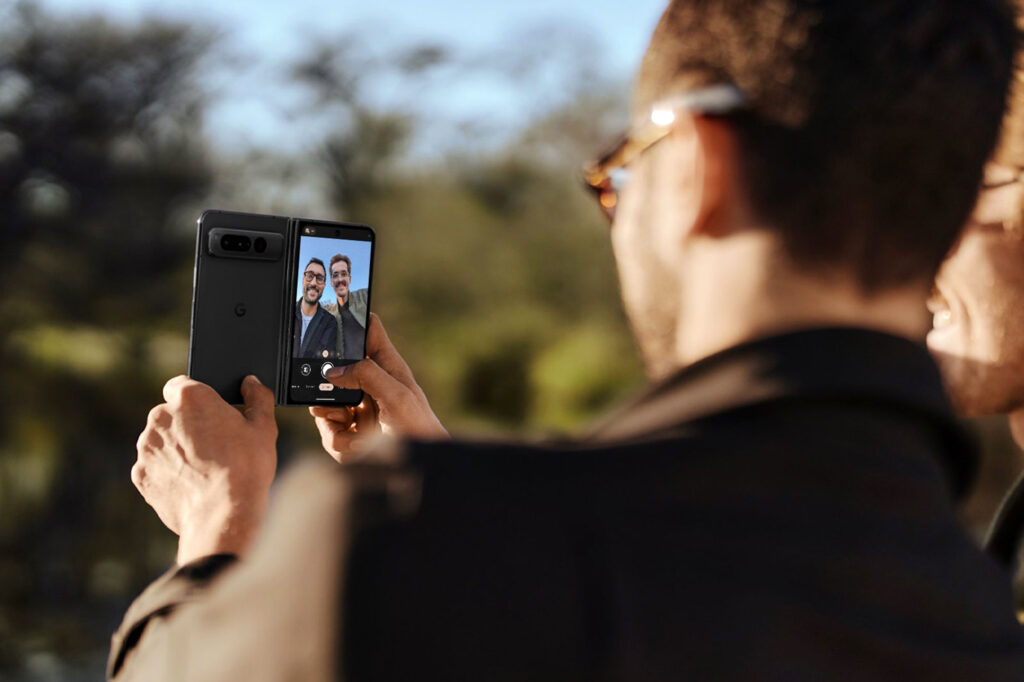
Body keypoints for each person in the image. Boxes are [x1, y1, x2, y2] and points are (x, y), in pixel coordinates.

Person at [110, 1, 1024, 680]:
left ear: (702, 164)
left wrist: (216, 527)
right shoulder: (978, 608)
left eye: (619, 175)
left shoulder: (394, 534)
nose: (614, 216)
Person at [325, 253, 369, 361]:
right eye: (335, 275)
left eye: (344, 274)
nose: (340, 279)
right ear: (331, 282)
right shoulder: (330, 317)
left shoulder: (364, 296)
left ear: (349, 279)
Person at [293, 257, 337, 358]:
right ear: (303, 279)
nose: (313, 283)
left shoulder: (330, 322)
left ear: (324, 285)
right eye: (309, 276)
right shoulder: (286, 312)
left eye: (320, 278)